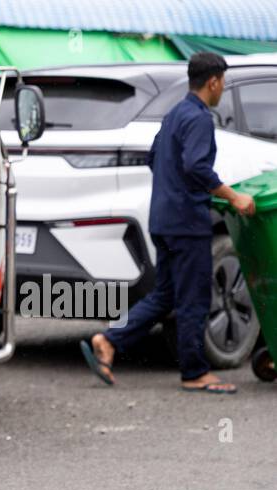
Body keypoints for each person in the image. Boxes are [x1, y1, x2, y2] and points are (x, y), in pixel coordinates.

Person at [81, 53, 256, 394]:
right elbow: (196, 167)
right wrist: (233, 196)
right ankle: (194, 372)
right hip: (187, 225)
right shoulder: (200, 119)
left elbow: (154, 159)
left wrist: (174, 190)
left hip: (162, 219)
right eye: (222, 83)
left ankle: (109, 340)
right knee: (193, 298)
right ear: (214, 82)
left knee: (166, 295)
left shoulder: (174, 114)